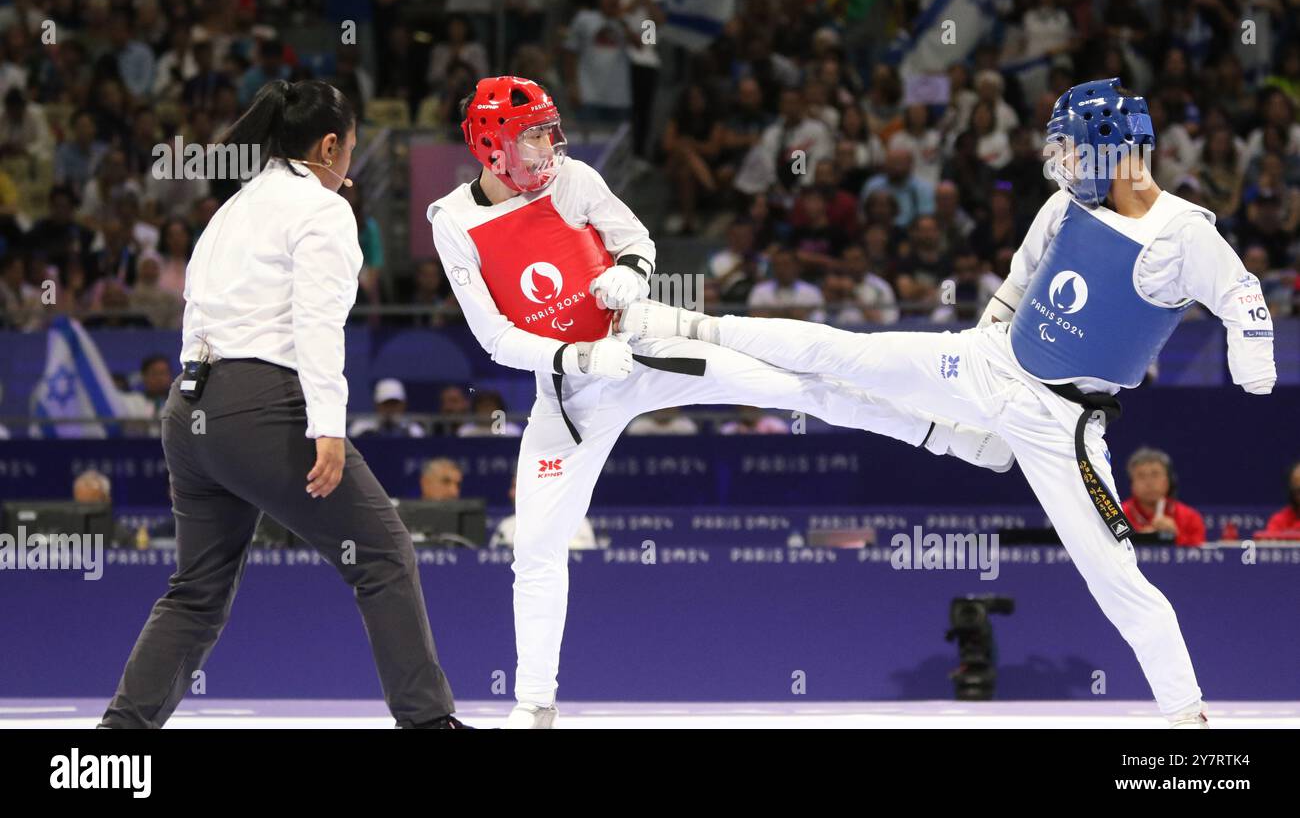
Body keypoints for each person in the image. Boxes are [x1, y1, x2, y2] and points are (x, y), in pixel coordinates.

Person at [622, 78, 1277, 728]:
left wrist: (1255, 369)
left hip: (1062, 424)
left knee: (1114, 577)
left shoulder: (1183, 234)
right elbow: (1018, 284)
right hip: (987, 365)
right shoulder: (1063, 207)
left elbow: (1243, 299)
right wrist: (975, 364)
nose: (1062, 163)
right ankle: (688, 327)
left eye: (1074, 150)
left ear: (1115, 149)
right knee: (843, 361)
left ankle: (1187, 718)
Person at [427, 75, 1012, 729]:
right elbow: (496, 338)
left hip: (643, 336)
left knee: (796, 388)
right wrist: (580, 358)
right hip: (569, 392)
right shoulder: (454, 223)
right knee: (535, 548)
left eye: (548, 132)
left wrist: (630, 271)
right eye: (533, 135)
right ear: (492, 145)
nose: (548, 148)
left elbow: (638, 239)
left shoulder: (572, 177)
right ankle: (534, 704)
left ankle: (945, 434)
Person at [100, 80, 466, 730]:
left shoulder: (233, 208)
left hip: (190, 411)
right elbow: (317, 326)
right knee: (383, 557)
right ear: (329, 145)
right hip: (262, 406)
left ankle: (117, 742)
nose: (348, 167)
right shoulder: (321, 212)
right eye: (349, 150)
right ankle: (430, 726)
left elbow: (199, 317)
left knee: (196, 592)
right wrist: (326, 428)